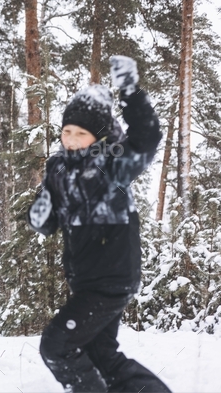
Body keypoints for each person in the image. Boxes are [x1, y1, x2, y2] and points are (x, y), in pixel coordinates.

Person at [27, 56, 171, 392]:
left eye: (81, 133)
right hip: (86, 279)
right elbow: (47, 222)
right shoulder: (58, 169)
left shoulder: (113, 164)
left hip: (112, 278)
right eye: (67, 131)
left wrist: (131, 92)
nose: (72, 139)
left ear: (98, 137)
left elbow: (147, 138)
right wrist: (39, 214)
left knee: (56, 345)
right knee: (101, 354)